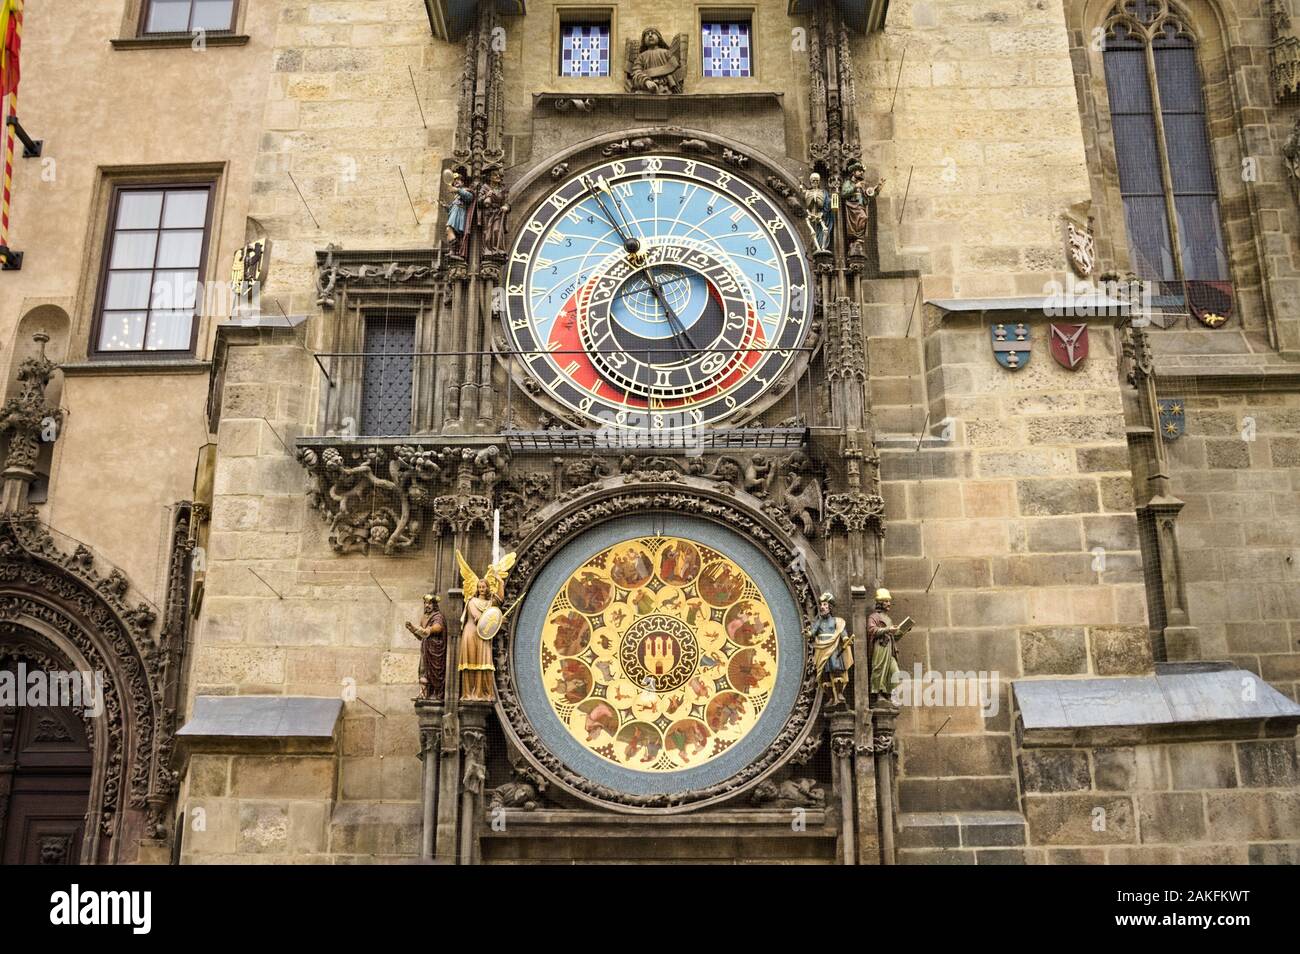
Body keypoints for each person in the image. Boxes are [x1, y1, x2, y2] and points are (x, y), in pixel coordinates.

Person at [810, 592, 853, 706]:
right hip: (822, 649)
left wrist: (845, 639)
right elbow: (812, 633)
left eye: (824, 604)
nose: (822, 607)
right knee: (824, 674)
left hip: (833, 649)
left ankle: (839, 694)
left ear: (830, 607)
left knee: (836, 670)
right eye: (821, 605)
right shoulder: (818, 622)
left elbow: (841, 631)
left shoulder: (836, 621)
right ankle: (830, 697)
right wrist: (808, 633)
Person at [405, 593, 446, 700]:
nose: (427, 605)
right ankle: (423, 694)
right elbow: (421, 637)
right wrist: (413, 630)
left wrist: (424, 630)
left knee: (435, 672)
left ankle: (435, 694)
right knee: (423, 670)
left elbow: (438, 628)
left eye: (430, 604)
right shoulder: (424, 618)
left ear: (435, 605)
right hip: (425, 648)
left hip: (435, 650)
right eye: (425, 603)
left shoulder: (438, 616)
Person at [868, 587, 903, 707]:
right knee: (879, 669)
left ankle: (889, 694)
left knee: (895, 672)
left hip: (890, 648)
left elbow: (893, 636)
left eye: (889, 601)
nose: (889, 604)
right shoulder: (874, 617)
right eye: (886, 601)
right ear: (880, 602)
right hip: (880, 647)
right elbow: (872, 630)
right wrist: (888, 629)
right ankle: (879, 695)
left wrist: (902, 631)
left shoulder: (888, 619)